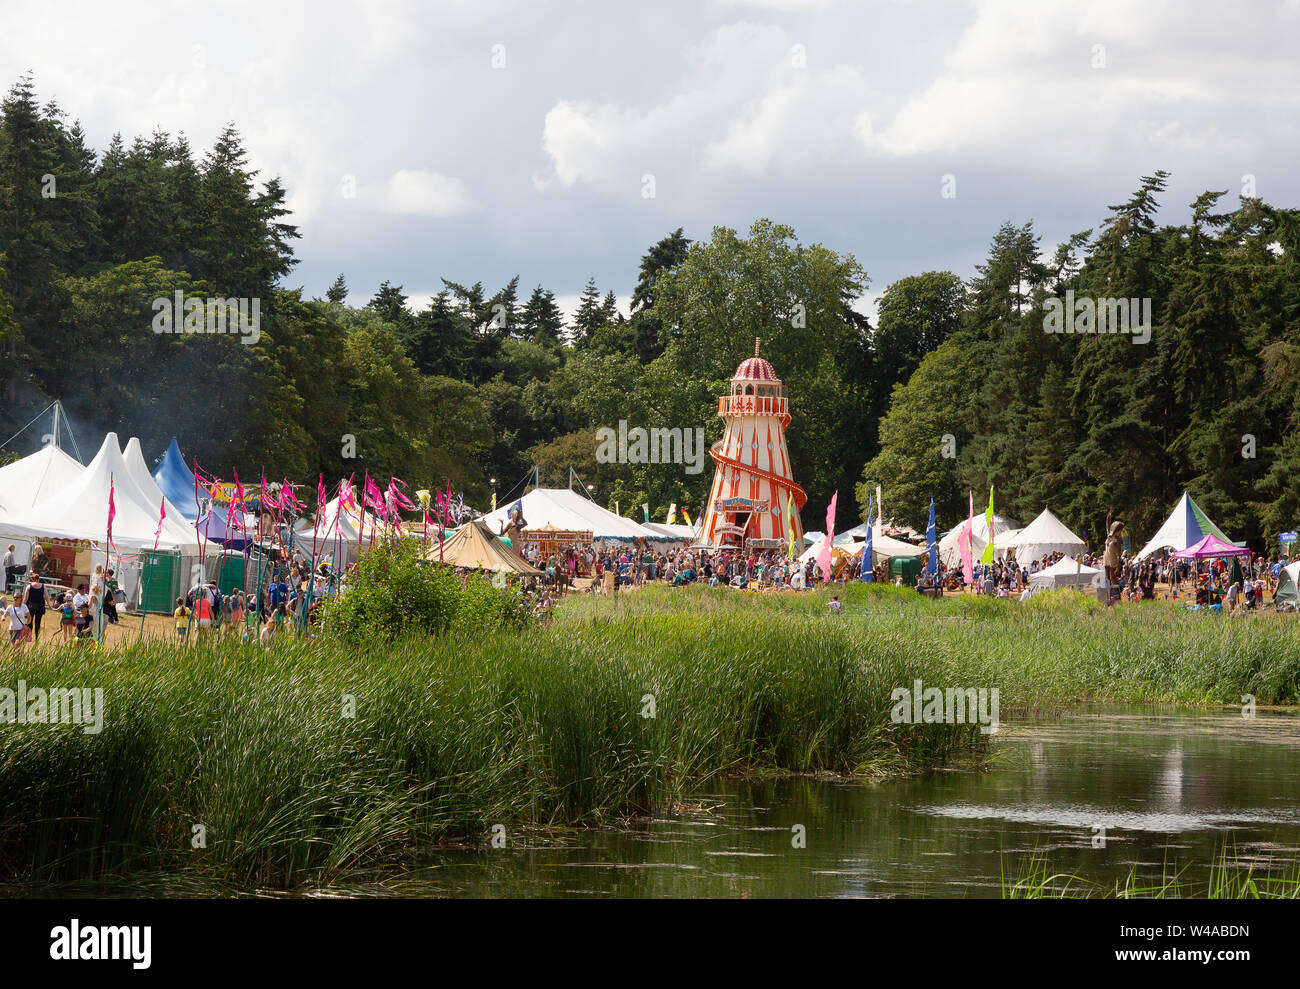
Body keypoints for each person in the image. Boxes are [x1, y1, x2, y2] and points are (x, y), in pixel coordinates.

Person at [22, 571, 46, 643]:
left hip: (31, 607)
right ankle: (36, 638)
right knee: (38, 623)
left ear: (32, 579)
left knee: (30, 622)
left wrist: (22, 607)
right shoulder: (43, 586)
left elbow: (25, 599)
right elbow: (47, 597)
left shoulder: (29, 586)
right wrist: (50, 605)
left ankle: (29, 637)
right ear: (39, 579)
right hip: (40, 607)